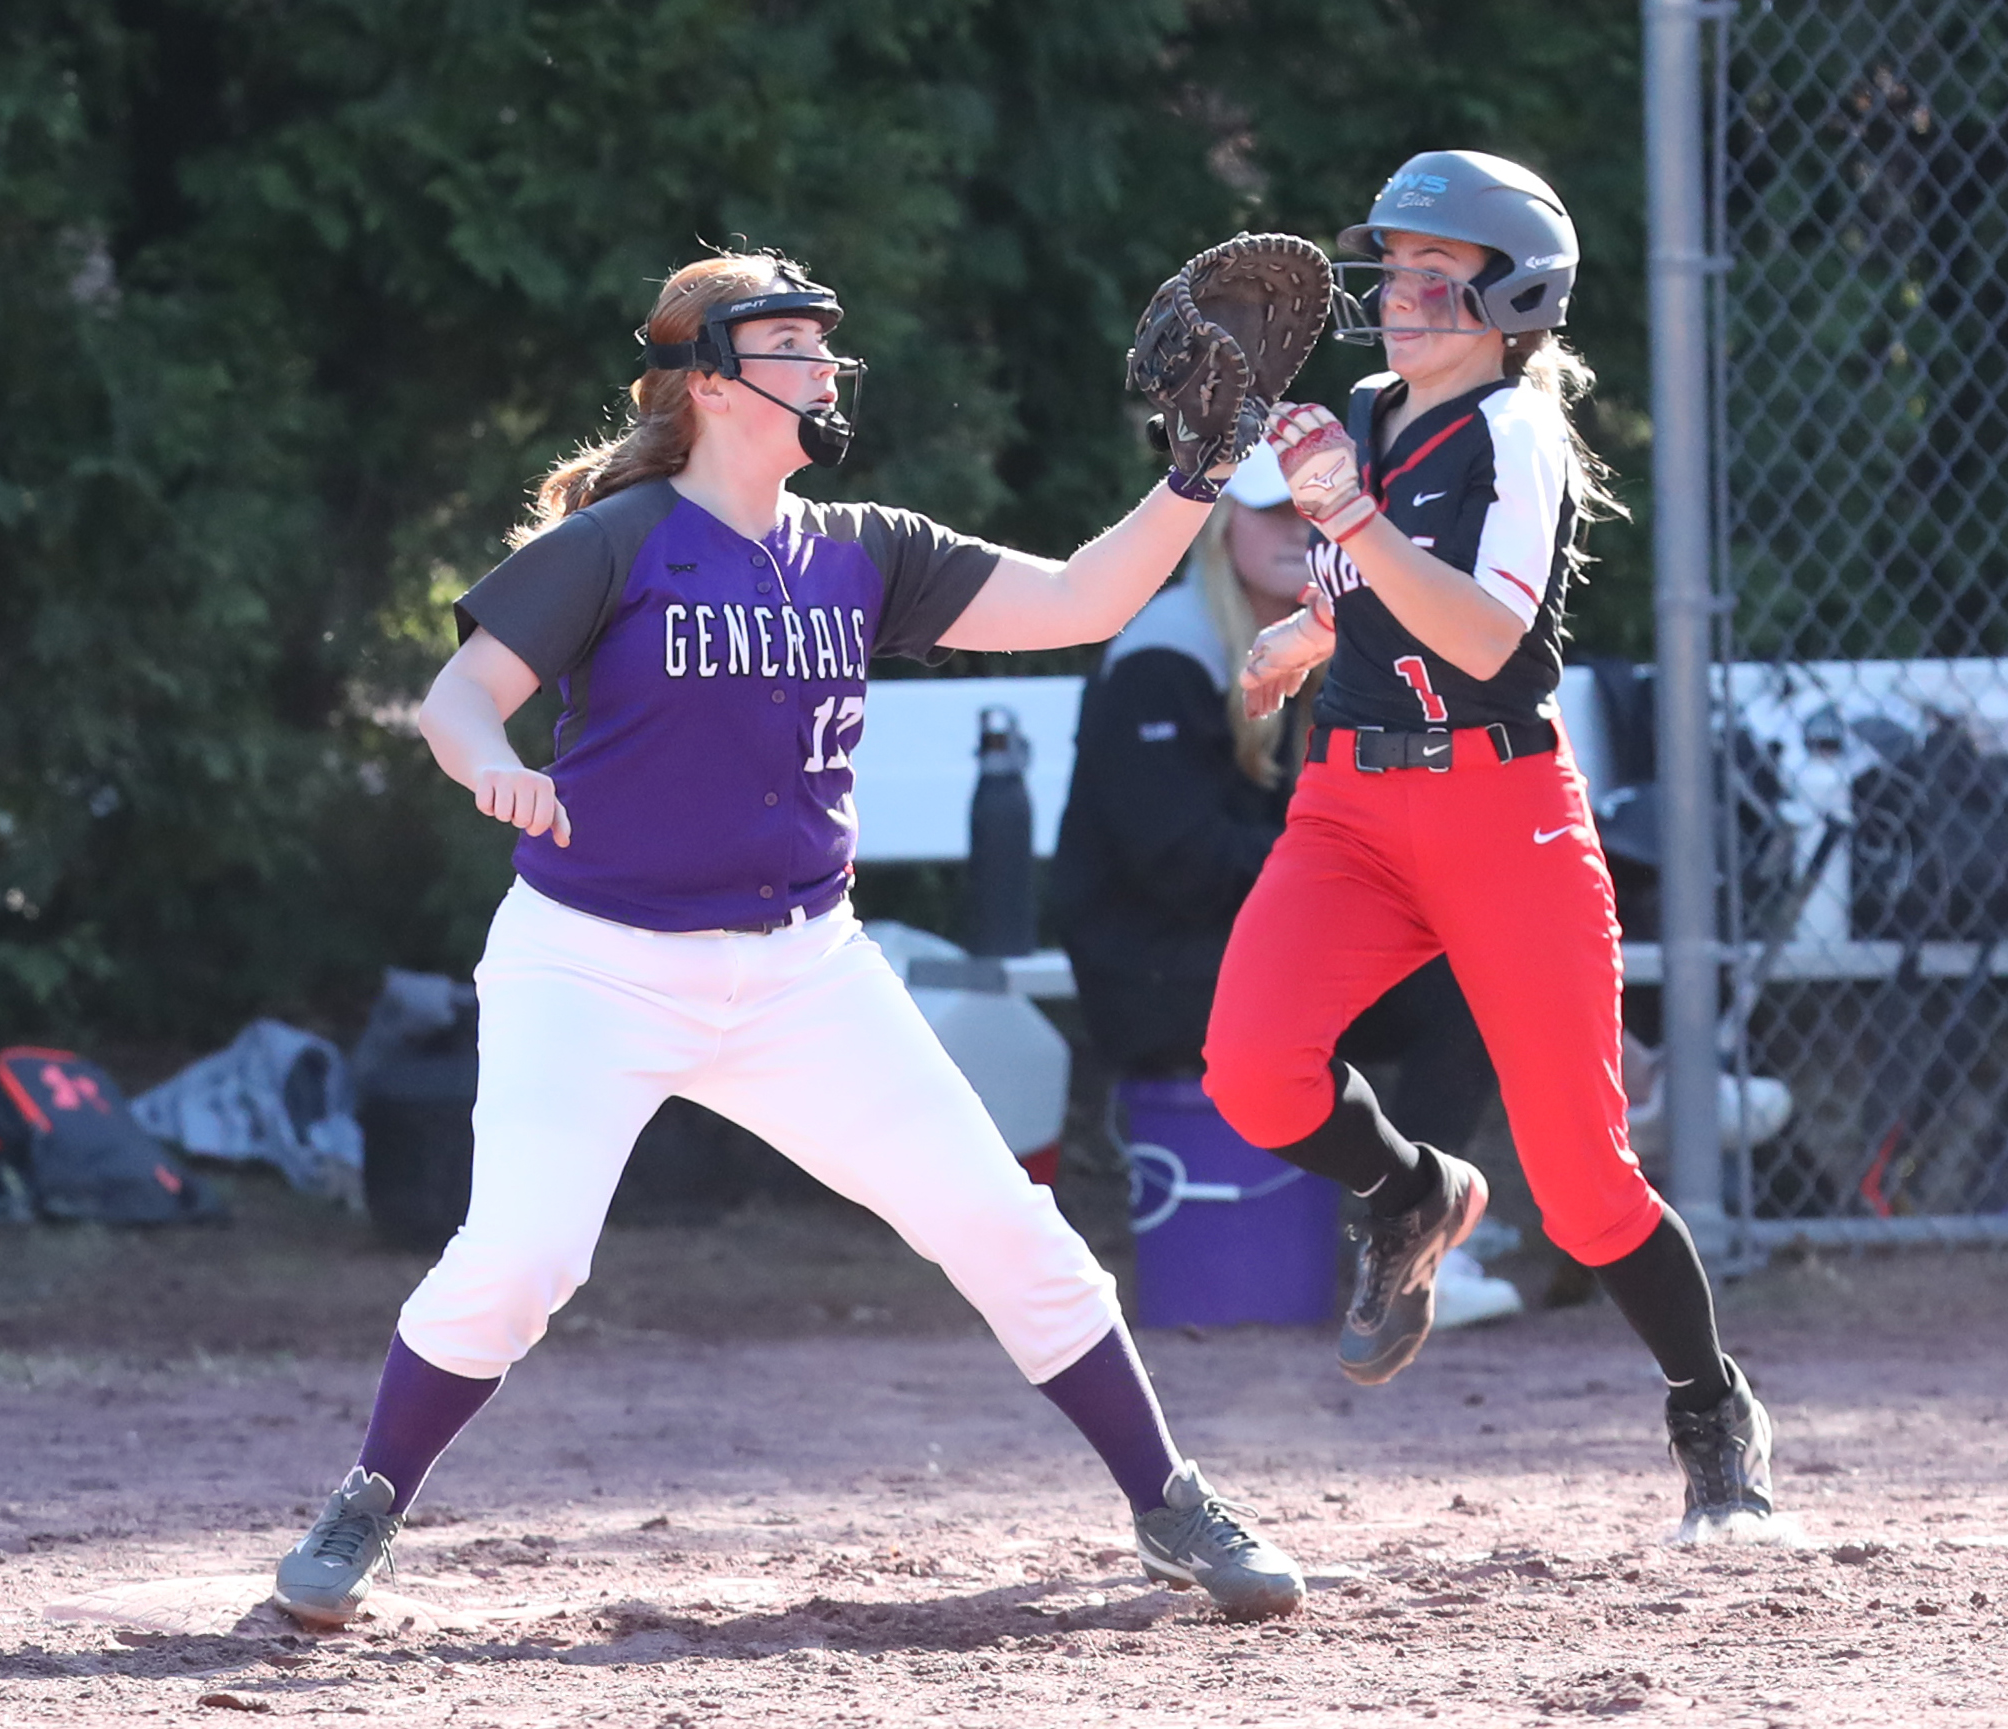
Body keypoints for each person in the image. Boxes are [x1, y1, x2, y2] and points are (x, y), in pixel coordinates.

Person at [270, 249, 1306, 1626]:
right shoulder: (617, 540)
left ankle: (1168, 1499)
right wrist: (491, 769)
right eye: (794, 343)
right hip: (594, 958)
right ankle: (368, 1500)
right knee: (524, 1257)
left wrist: (1191, 480)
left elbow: (1081, 604)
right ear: (707, 378)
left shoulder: (864, 547)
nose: (825, 366)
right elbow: (458, 699)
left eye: (827, 342)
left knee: (1008, 1226)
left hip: (806, 969)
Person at [1210, 151, 1778, 1542]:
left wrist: (1341, 517)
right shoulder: (1370, 413)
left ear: (1512, 299)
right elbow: (1382, 592)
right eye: (1391, 269)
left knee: (1585, 1188)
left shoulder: (1513, 432)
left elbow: (1483, 633)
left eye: (1431, 276)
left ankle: (1711, 1412)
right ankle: (1412, 1192)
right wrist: (1309, 625)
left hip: (1499, 810)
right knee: (1251, 1070)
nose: (1395, 297)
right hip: (1348, 801)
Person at [1050, 453, 1521, 1329]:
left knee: (1465, 975)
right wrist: (1355, 885)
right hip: (1152, 975)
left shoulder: (1339, 645)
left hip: (1251, 950)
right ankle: (1406, 1235)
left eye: (1313, 515)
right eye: (1270, 513)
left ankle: (1412, 1243)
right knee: (1416, 965)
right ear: (1224, 521)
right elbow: (1178, 866)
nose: (1294, 534)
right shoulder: (1168, 650)